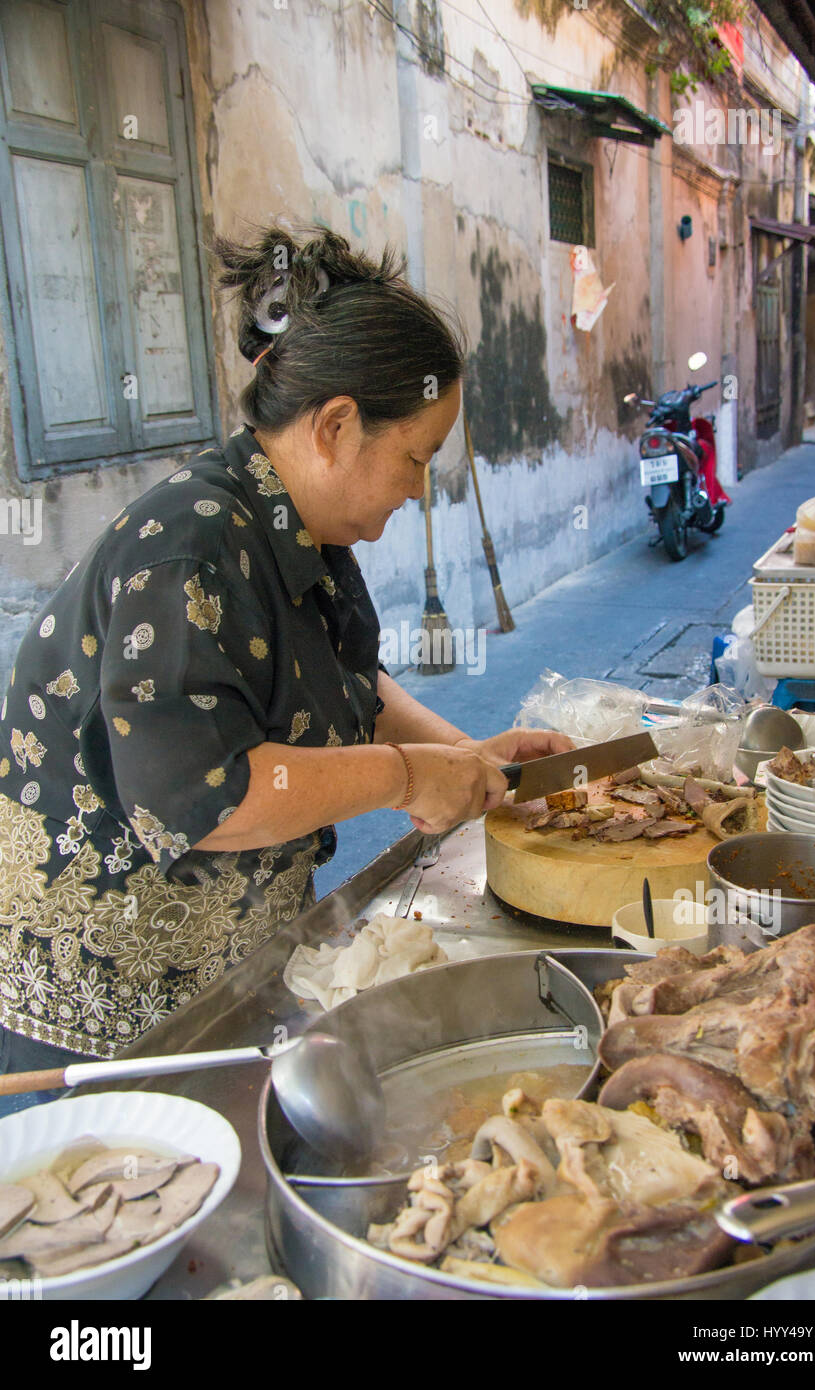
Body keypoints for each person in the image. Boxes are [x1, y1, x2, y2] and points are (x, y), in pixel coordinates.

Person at [0, 226, 569, 1116]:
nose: (418, 489)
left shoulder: (296, 532)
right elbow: (200, 797)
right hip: (103, 1009)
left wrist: (476, 763)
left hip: (226, 965)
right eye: (415, 457)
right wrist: (409, 777)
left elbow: (349, 690)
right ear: (338, 426)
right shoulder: (193, 545)